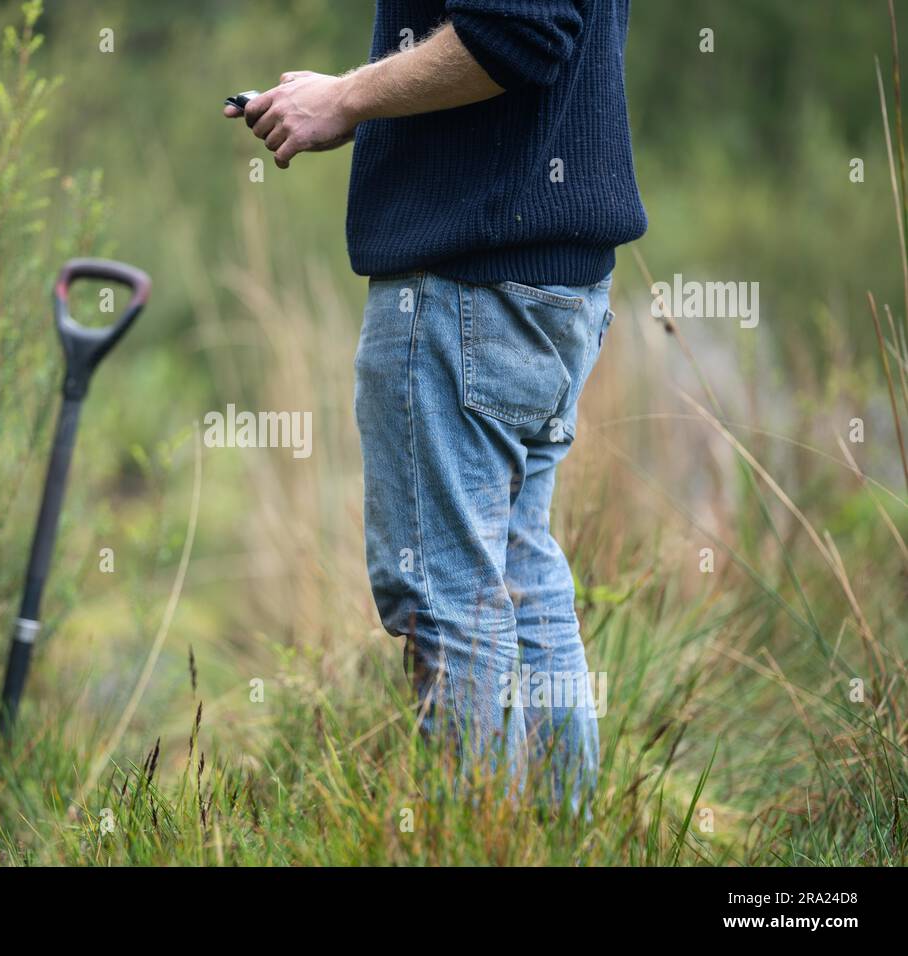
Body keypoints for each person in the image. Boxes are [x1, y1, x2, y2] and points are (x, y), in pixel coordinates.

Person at [225, 1, 647, 808]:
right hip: (552, 281)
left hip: (468, 286)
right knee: (520, 577)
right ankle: (563, 845)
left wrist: (344, 97)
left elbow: (518, 31)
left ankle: (477, 846)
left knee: (448, 602)